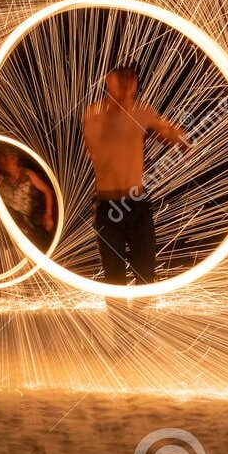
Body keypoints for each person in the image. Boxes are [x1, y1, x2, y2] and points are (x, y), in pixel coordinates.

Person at [81, 63, 190, 287]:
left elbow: (171, 134)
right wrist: (131, 113)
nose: (125, 86)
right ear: (108, 83)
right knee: (114, 279)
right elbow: (99, 146)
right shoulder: (94, 114)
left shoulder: (142, 112)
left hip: (136, 202)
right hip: (108, 206)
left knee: (146, 273)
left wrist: (178, 137)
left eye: (130, 81)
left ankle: (142, 310)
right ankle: (119, 311)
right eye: (119, 81)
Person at [0, 142, 56, 251]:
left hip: (29, 222)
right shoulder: (3, 181)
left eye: (6, 160)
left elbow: (47, 191)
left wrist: (48, 214)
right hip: (13, 223)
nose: (4, 164)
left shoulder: (27, 174)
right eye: (1, 162)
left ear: (14, 159)